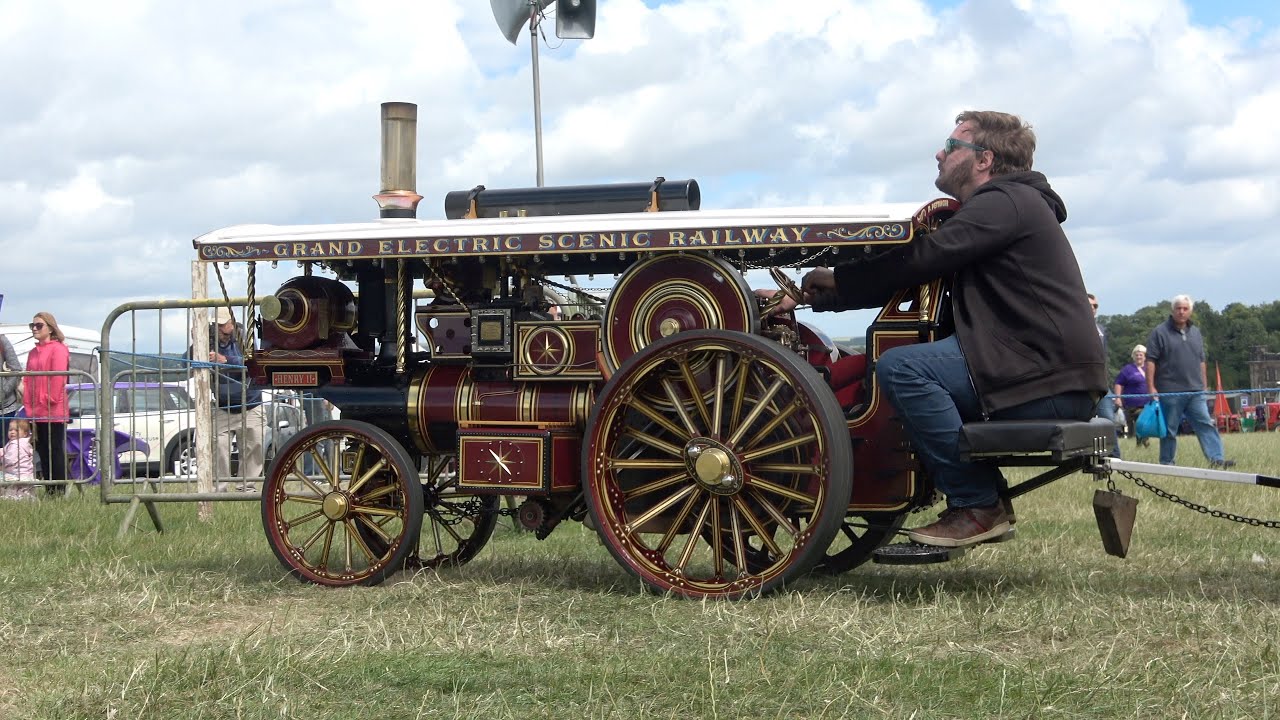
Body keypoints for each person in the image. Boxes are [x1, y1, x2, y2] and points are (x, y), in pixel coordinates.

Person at [799, 110, 1107, 547]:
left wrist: (838, 277)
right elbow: (917, 272)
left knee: (903, 368)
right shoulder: (1008, 205)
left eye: (952, 145)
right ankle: (982, 498)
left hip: (1044, 376)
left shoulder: (1005, 203)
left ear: (984, 159)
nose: (939, 153)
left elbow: (923, 258)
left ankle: (977, 504)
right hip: (1043, 370)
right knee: (909, 364)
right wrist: (816, 295)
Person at [1145, 295, 1233, 468]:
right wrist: (1151, 387)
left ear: (1190, 311)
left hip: (1196, 391)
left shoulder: (1196, 332)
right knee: (1169, 429)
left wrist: (1204, 385)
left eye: (1185, 308)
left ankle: (1217, 459)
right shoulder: (1160, 332)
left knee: (1206, 424)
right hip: (1170, 391)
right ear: (1172, 310)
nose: (1181, 312)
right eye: (1178, 308)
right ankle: (1167, 462)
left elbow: (1201, 360)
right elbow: (1150, 361)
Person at [191, 308, 266, 491]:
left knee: (254, 445)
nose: (220, 330)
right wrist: (195, 344)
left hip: (251, 403)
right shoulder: (206, 339)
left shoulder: (244, 338)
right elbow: (187, 361)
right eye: (217, 326)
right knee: (219, 447)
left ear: (231, 324)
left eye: (223, 325)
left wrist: (225, 360)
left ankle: (247, 487)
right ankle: (220, 489)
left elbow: (253, 362)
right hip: (224, 405)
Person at [24, 312, 70, 496]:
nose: (35, 329)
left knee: (54, 449)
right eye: (32, 325)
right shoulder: (32, 352)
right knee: (42, 450)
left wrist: (48, 399)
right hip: (35, 409)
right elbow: (27, 379)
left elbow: (59, 377)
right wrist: (28, 404)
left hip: (53, 409)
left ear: (50, 328)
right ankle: (50, 489)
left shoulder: (58, 349)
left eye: (39, 325)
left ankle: (58, 490)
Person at [1113, 344, 1151, 447]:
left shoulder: (1149, 368)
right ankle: (1139, 444)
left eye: (1141, 355)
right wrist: (1118, 398)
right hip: (1130, 404)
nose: (1139, 357)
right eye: (1137, 355)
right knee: (1132, 427)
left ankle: (1145, 441)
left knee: (1141, 421)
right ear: (1133, 356)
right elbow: (1119, 383)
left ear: (1145, 356)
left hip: (1146, 403)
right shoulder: (1127, 369)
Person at [1, 418, 37, 500]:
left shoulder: (15, 444)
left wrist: (2, 460)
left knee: (11, 489)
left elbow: (10, 459)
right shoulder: (24, 443)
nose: (12, 432)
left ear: (25, 434)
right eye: (10, 430)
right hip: (26, 474)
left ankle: (13, 498)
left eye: (16, 430)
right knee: (24, 491)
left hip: (16, 473)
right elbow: (6, 450)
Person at [1, 332, 22, 439]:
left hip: (5, 408)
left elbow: (16, 369)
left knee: (4, 449)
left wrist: (4, 391)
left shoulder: (2, 340)